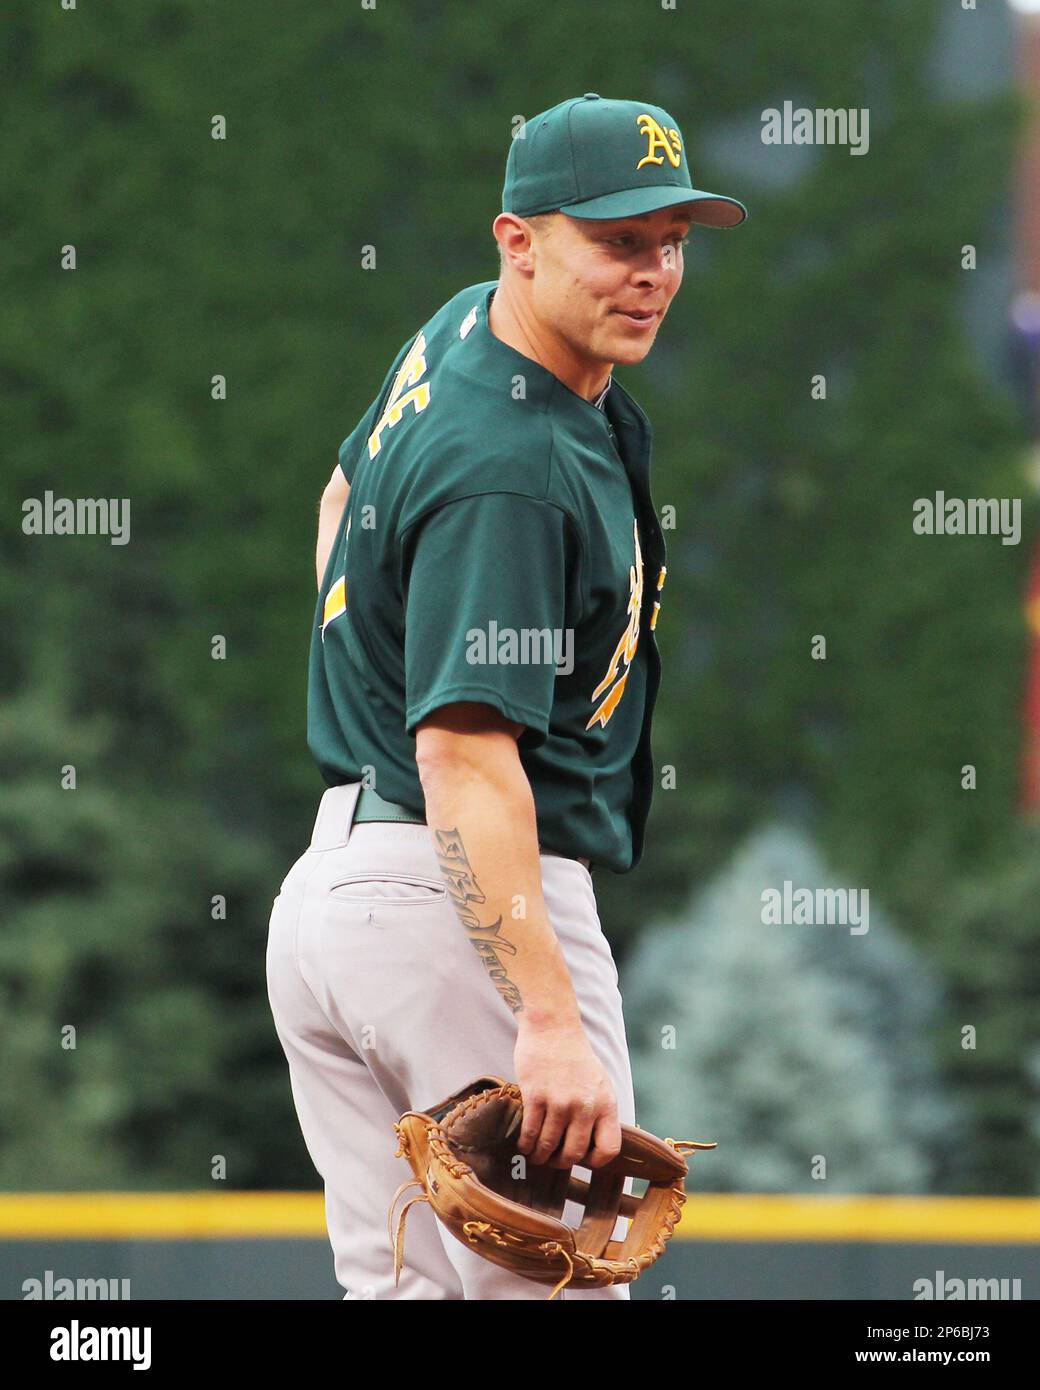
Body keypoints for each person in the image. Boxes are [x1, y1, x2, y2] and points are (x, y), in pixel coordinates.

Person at [266, 93, 747, 1300]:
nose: (650, 273)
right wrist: (541, 1017)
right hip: (462, 909)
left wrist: (374, 719)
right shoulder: (514, 468)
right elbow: (468, 757)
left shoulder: (463, 332)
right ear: (517, 239)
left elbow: (340, 500)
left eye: (668, 240)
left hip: (338, 897)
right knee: (558, 1295)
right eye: (614, 239)